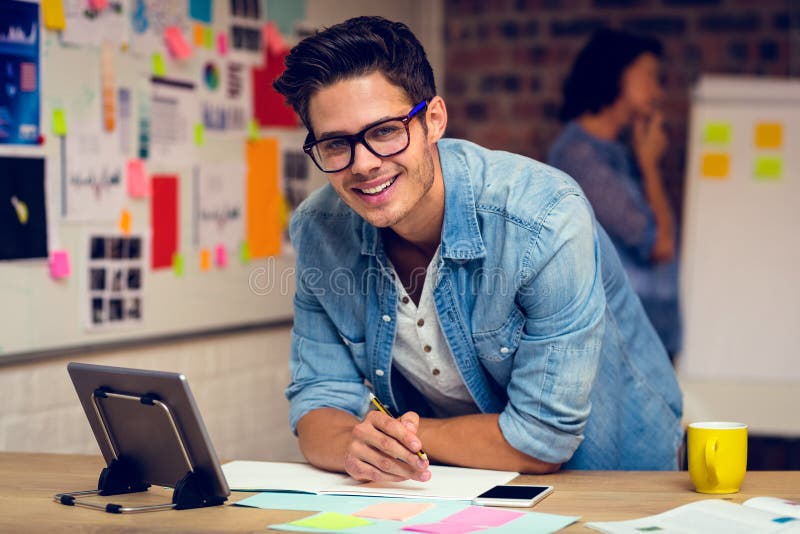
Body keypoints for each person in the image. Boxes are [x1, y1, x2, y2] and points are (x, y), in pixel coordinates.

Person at [274, 16, 682, 483]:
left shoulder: (544, 217)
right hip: (463, 482)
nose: (363, 164)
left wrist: (400, 437)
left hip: (616, 473)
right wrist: (357, 444)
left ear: (434, 121)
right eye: (335, 143)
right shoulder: (318, 230)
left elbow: (541, 440)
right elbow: (317, 402)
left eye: (385, 131)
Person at [548, 29, 682, 359]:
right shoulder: (578, 156)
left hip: (647, 334)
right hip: (621, 340)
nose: (658, 91)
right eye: (650, 76)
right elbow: (659, 245)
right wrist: (650, 166)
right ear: (616, 74)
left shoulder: (619, 153)